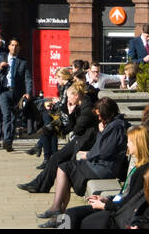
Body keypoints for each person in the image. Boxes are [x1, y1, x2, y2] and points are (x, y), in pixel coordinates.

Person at [37, 96, 128, 225]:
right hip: (100, 165)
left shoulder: (116, 127)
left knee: (64, 168)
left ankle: (57, 209)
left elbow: (105, 151)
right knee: (65, 170)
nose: (99, 118)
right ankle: (59, 215)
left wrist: (89, 154)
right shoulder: (113, 124)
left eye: (100, 115)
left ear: (107, 114)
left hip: (104, 168)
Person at [60, 124, 149, 231]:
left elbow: (130, 202)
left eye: (129, 141)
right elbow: (125, 195)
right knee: (69, 215)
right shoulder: (140, 166)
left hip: (121, 214)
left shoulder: (145, 171)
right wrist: (106, 199)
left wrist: (105, 206)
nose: (127, 144)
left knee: (76, 219)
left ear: (138, 144)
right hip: (116, 206)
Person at [17, 83, 97, 193]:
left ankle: (40, 185)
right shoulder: (83, 105)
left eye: (69, 96)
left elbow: (77, 129)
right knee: (55, 157)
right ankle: (39, 185)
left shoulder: (86, 109)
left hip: (85, 141)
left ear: (76, 96)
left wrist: (70, 113)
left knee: (56, 158)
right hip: (81, 139)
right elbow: (71, 128)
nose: (68, 99)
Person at [0, 38, 33, 152]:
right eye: (12, 45)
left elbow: (28, 79)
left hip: (17, 93)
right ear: (8, 47)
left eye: (16, 45)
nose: (14, 47)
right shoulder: (1, 58)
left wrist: (28, 92)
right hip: (4, 92)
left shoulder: (23, 62)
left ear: (19, 48)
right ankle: (6, 139)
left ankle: (9, 141)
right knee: (6, 115)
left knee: (13, 118)